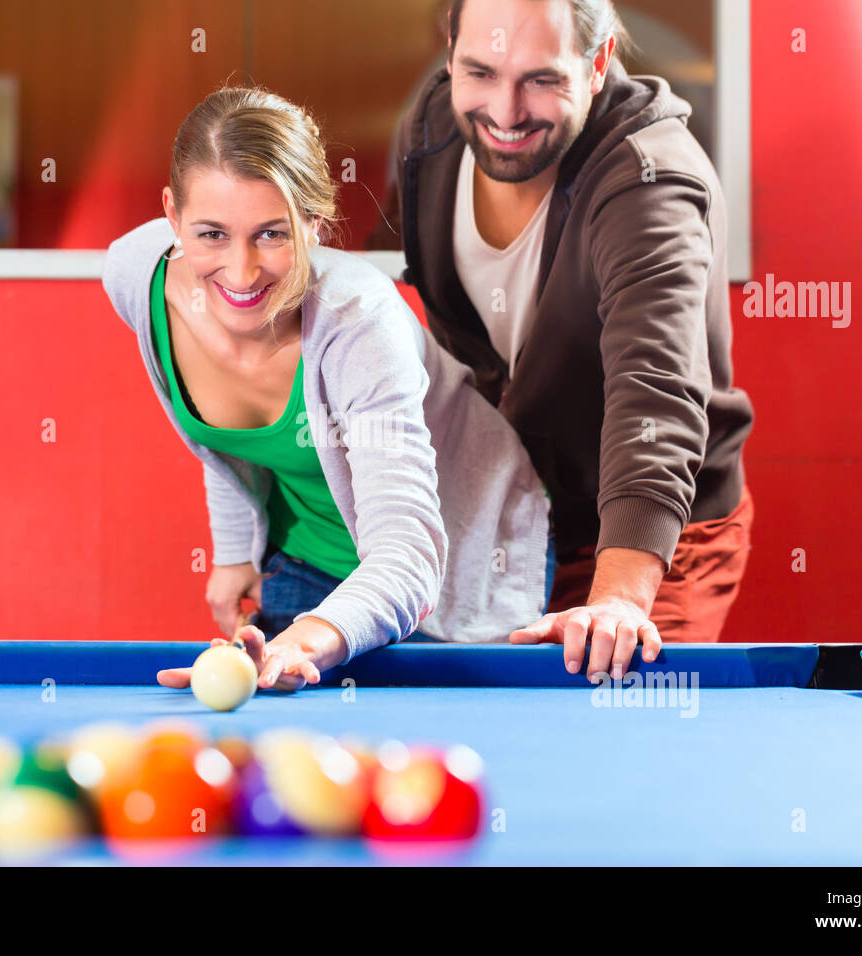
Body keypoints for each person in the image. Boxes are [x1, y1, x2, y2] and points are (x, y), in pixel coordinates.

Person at [102, 86, 552, 693]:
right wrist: (236, 553)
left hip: (457, 568)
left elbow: (408, 556)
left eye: (271, 234)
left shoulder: (358, 324)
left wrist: (303, 639)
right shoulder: (135, 281)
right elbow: (233, 441)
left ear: (314, 224)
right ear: (171, 215)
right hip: (309, 562)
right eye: (211, 233)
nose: (240, 272)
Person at [393, 0, 755, 682]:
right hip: (515, 516)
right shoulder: (437, 127)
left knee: (619, 729)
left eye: (541, 79)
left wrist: (617, 598)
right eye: (481, 71)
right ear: (450, 53)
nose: (504, 111)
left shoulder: (653, 183)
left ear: (598, 62)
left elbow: (655, 396)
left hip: (655, 531)